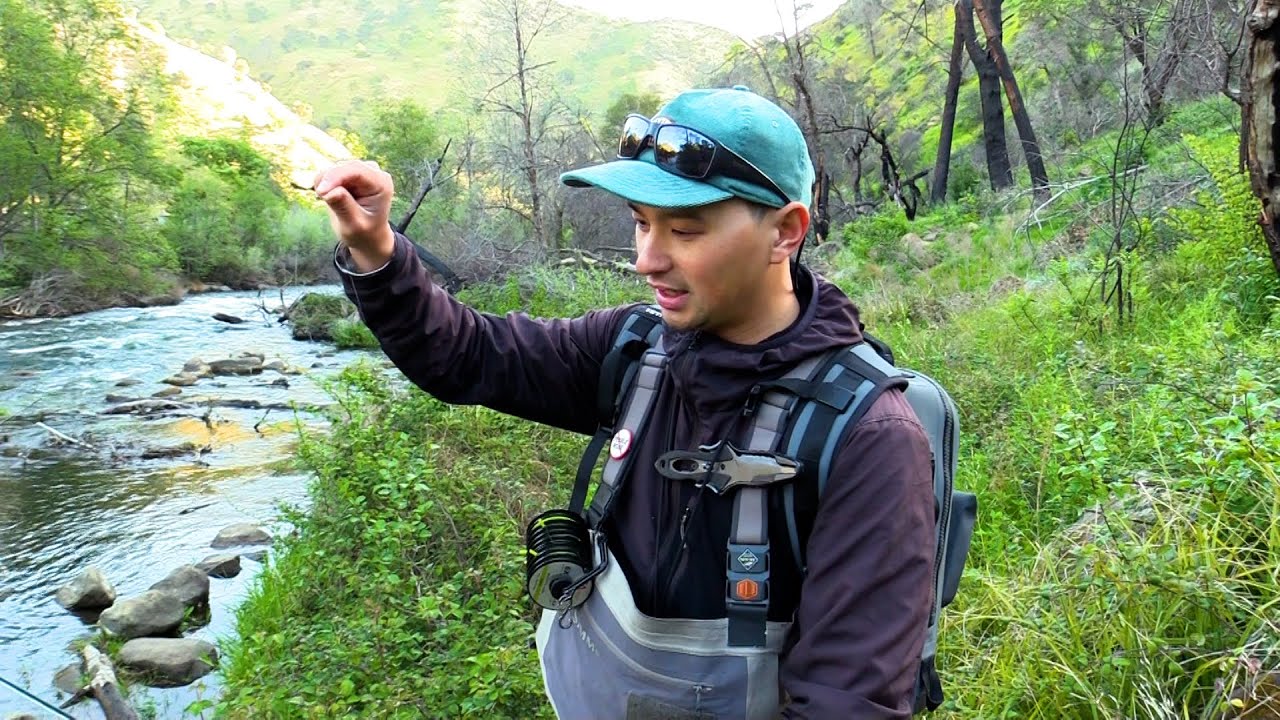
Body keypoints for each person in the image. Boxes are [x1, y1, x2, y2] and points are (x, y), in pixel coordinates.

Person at [315, 86, 935, 719]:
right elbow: (468, 356)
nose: (646, 259)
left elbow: (845, 702)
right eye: (642, 222)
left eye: (685, 230)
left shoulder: (870, 438)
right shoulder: (635, 349)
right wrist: (376, 253)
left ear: (786, 232)